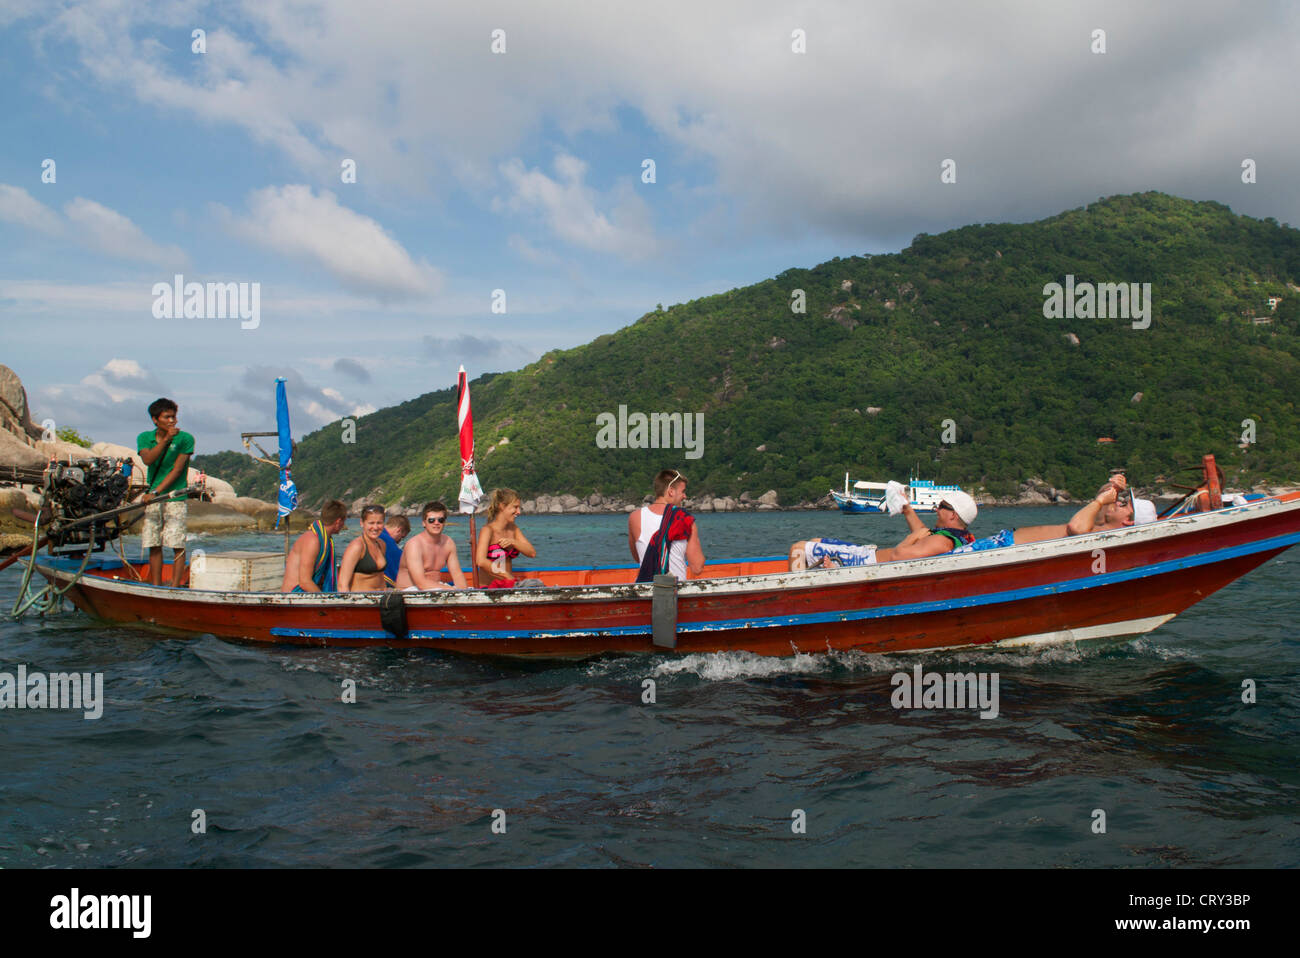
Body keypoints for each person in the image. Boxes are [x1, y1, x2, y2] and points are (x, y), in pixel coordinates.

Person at [790, 489, 978, 569]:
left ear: (953, 515)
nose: (937, 509)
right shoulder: (957, 537)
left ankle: (794, 602)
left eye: (942, 507)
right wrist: (907, 509)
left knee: (798, 549)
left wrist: (913, 537)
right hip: (868, 555)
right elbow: (923, 534)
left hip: (866, 562)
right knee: (815, 542)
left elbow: (898, 556)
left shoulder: (942, 541)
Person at [953, 475, 1143, 554]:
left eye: (1125, 505)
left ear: (1127, 521)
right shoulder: (1100, 525)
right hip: (1002, 542)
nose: (1118, 502)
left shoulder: (1096, 533)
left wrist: (1100, 501)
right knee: (945, 558)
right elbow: (1102, 498)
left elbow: (1076, 527)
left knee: (946, 558)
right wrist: (1114, 486)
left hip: (1005, 546)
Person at [137, 397, 195, 587]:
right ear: (155, 420)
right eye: (167, 417)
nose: (172, 421)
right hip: (152, 497)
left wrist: (156, 492)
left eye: (174, 417)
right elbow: (148, 460)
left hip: (175, 496)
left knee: (177, 543)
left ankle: (175, 585)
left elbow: (177, 470)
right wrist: (166, 440)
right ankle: (155, 585)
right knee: (154, 542)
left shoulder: (186, 439)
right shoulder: (145, 437)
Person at [629, 469, 705, 581]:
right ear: (671, 491)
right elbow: (697, 568)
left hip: (646, 591)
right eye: (683, 491)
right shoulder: (684, 519)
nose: (685, 496)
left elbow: (637, 558)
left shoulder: (635, 517)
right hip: (674, 593)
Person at [475, 488, 543, 588]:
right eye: (515, 507)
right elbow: (480, 561)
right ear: (502, 506)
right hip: (489, 588)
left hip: (507, 586)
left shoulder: (513, 529)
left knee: (537, 584)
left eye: (519, 508)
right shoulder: (487, 530)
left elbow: (532, 553)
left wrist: (513, 542)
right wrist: (507, 575)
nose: (518, 512)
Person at [396, 501, 468, 591]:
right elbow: (420, 582)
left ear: (444, 522)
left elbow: (457, 574)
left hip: (434, 589)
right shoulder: (414, 545)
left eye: (440, 520)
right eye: (431, 520)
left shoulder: (448, 543)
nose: (436, 523)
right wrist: (450, 589)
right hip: (409, 591)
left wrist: (464, 591)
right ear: (424, 523)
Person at [281, 499, 347, 592]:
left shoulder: (324, 539)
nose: (344, 525)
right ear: (338, 522)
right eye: (344, 521)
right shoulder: (313, 540)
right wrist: (325, 601)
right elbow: (304, 582)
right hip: (294, 596)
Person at [338, 504, 389, 592]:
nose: (375, 527)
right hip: (362, 601)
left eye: (379, 523)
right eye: (371, 523)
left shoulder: (381, 544)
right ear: (362, 523)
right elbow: (342, 585)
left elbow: (380, 576)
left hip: (381, 599)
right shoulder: (357, 546)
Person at [379, 514, 410, 589]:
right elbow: (398, 567)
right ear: (398, 530)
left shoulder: (375, 535)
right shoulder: (388, 541)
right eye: (401, 537)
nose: (399, 541)